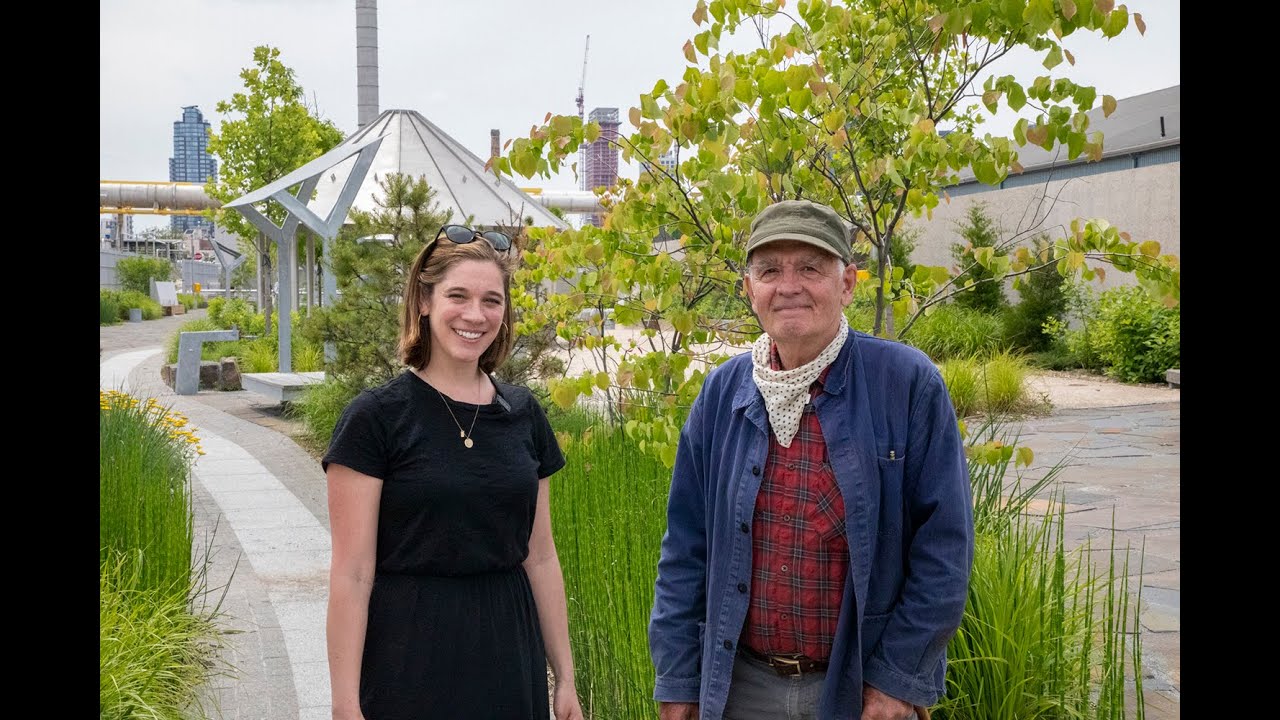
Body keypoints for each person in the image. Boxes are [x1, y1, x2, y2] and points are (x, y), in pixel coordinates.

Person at [648, 200, 974, 720]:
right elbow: (686, 548)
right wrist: (680, 679)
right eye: (770, 270)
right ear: (749, 289)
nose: (789, 285)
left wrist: (896, 682)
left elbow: (944, 550)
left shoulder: (907, 384)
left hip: (859, 689)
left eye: (810, 268)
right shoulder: (720, 395)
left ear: (846, 284)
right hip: (740, 688)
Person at [324, 224, 584, 720]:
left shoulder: (524, 414)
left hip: (510, 655)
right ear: (424, 300)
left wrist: (566, 677)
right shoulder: (376, 418)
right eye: (457, 296)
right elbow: (352, 574)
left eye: (492, 300)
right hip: (408, 657)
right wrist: (344, 703)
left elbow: (541, 557)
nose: (475, 315)